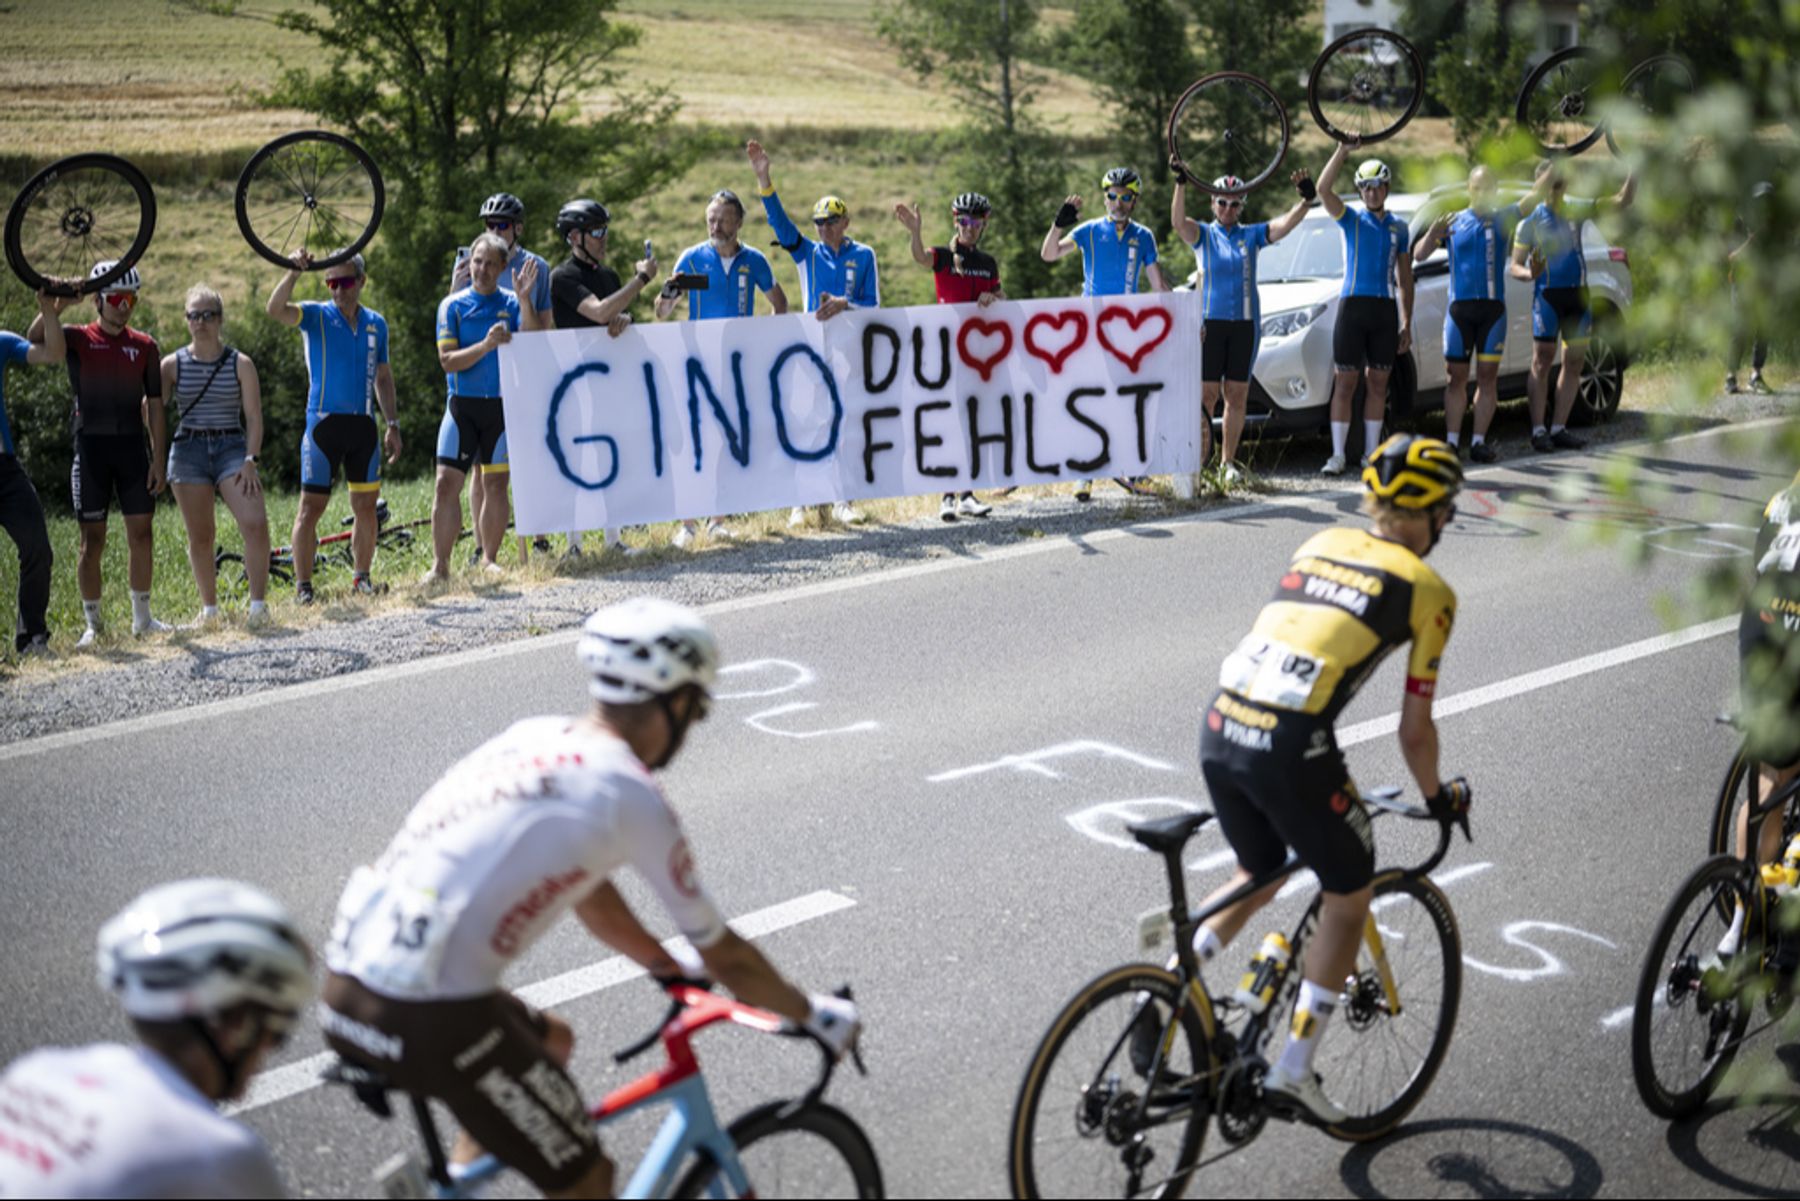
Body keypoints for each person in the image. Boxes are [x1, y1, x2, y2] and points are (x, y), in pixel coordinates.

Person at [319, 596, 861, 1199]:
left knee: (551, 1043)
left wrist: (660, 962)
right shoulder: (629, 792)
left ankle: (461, 1186)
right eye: (697, 708)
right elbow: (728, 958)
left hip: (347, 983)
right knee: (591, 1180)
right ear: (673, 701)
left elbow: (587, 888)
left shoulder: (533, 736)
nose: (695, 724)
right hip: (425, 1013)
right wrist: (813, 1016)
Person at [1174, 434, 1470, 1124]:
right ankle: (1295, 1070)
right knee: (1348, 889)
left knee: (1262, 867)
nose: (1448, 525)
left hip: (1220, 724)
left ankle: (1164, 991)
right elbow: (1415, 733)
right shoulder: (1432, 591)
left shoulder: (1318, 544)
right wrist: (1436, 798)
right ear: (1430, 514)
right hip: (1288, 741)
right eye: (1448, 512)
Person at [0, 878, 313, 1197]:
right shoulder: (217, 1152)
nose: (271, 1048)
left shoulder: (36, 1074)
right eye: (276, 1031)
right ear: (236, 1024)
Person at [27, 262, 170, 645]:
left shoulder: (145, 346)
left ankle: (143, 619)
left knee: (143, 535)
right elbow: (35, 336)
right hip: (90, 450)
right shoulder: (76, 337)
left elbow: (155, 405)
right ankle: (94, 624)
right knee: (92, 541)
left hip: (131, 451)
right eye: (117, 299)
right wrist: (56, 306)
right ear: (98, 300)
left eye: (131, 299)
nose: (125, 307)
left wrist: (158, 459)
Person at [746, 138, 876, 529]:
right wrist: (764, 181)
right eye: (819, 222)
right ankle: (799, 503)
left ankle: (842, 500)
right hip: (810, 352)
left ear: (845, 223)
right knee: (804, 424)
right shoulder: (807, 253)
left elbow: (874, 306)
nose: (823, 228)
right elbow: (781, 225)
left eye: (830, 221)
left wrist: (845, 304)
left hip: (848, 352)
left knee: (843, 424)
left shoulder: (864, 254)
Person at [654, 188, 789, 547]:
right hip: (697, 365)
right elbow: (663, 310)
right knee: (694, 441)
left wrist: (762, 342)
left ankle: (717, 518)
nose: (715, 225)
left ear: (738, 222)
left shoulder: (755, 261)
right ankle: (687, 523)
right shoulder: (693, 260)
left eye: (722, 219)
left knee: (725, 444)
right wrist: (666, 296)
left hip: (736, 368)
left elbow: (780, 303)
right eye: (710, 219)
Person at [266, 251, 402, 603]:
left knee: (366, 506)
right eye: (330, 283)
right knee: (310, 508)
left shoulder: (377, 324)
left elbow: (384, 377)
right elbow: (275, 309)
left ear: (361, 281)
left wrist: (393, 424)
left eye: (344, 282)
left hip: (363, 426)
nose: (337, 291)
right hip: (323, 425)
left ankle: (362, 580)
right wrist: (293, 274)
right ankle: (303, 588)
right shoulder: (316, 315)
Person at [1170, 170, 1311, 485]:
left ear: (1242, 206)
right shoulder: (1204, 234)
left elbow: (1283, 226)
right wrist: (1180, 184)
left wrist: (1305, 201)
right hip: (1210, 326)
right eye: (1222, 203)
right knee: (1206, 396)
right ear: (1212, 202)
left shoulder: (1251, 235)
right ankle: (1199, 462)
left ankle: (1227, 463)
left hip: (1245, 325)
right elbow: (1178, 223)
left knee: (1236, 394)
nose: (1227, 210)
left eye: (1234, 205)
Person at [1041, 167, 1167, 501]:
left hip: (1126, 328)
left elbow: (1159, 286)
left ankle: (1131, 469)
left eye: (1125, 197)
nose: (1118, 202)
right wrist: (1058, 225)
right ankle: (1085, 475)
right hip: (1091, 327)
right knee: (1089, 400)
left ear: (1134, 200)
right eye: (1112, 195)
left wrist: (1182, 318)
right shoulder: (1090, 231)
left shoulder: (1144, 236)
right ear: (1105, 197)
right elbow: (1049, 254)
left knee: (1127, 401)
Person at [425, 233, 541, 583]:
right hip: (463, 407)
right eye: (478, 261)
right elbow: (447, 361)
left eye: (491, 263)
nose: (482, 269)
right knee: (446, 485)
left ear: (503, 267)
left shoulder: (511, 301)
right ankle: (440, 566)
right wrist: (487, 345)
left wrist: (525, 302)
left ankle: (489, 558)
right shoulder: (453, 306)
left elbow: (534, 342)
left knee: (496, 485)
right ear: (469, 262)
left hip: (501, 408)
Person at [1412, 166, 1546, 463]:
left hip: (1492, 312)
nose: (1483, 194)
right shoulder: (1455, 221)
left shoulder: (1503, 218)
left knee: (1488, 378)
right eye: (1478, 188)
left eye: (1489, 188)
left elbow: (1535, 195)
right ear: (1469, 190)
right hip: (1459, 311)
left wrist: (1557, 159)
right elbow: (1419, 255)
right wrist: (1432, 235)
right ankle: (1450, 443)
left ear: (1495, 191)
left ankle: (1478, 442)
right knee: (1454, 378)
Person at [547, 197, 658, 558]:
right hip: (572, 382)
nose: (603, 237)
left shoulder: (608, 276)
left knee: (611, 456)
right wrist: (641, 279)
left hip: (606, 381)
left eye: (605, 230)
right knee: (576, 462)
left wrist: (624, 320)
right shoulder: (563, 276)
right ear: (575, 236)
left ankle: (613, 539)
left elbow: (614, 318)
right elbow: (597, 312)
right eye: (597, 231)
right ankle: (573, 544)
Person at [451, 193, 558, 558]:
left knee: (530, 458)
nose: (495, 230)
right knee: (482, 470)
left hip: (522, 375)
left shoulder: (536, 267)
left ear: (518, 229)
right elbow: (453, 312)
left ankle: (540, 538)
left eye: (502, 225)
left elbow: (545, 324)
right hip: (481, 377)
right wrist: (455, 283)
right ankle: (482, 548)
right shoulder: (472, 260)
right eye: (489, 224)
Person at [160, 285, 271, 627]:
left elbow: (254, 417)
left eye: (208, 314)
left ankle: (257, 607)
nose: (201, 321)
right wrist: (154, 456)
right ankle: (209, 612)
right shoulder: (171, 365)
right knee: (201, 536)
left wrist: (251, 459)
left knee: (254, 523)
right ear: (186, 320)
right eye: (194, 315)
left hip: (231, 448)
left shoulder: (241, 363)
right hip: (188, 450)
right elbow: (154, 412)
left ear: (220, 319)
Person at [1508, 159, 1635, 453]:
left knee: (1575, 361)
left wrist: (1634, 167)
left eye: (1559, 182)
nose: (1555, 188)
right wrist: (1529, 273)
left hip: (1578, 295)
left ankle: (1559, 427)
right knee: (1542, 359)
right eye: (1550, 183)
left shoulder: (1576, 209)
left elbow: (1622, 200)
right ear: (1539, 185)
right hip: (1548, 296)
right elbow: (1515, 265)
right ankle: (1539, 430)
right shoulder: (1530, 220)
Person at [894, 191, 1003, 521]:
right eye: (964, 221)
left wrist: (993, 298)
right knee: (948, 423)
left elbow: (1003, 297)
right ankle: (946, 496)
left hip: (977, 354)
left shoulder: (987, 263)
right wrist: (915, 233)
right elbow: (920, 258)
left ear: (984, 225)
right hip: (945, 352)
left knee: (971, 422)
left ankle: (967, 493)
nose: (970, 228)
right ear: (956, 222)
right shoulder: (943, 256)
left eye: (976, 222)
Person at [1314, 144, 1415, 477]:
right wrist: (1342, 151)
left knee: (1378, 384)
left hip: (1384, 310)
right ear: (1360, 191)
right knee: (1345, 383)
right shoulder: (1351, 219)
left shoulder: (1400, 228)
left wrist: (1407, 323)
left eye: (1377, 187)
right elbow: (1322, 189)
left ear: (1386, 188)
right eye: (1366, 188)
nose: (1372, 193)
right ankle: (1338, 454)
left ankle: (1371, 453)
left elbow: (1405, 278)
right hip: (1353, 306)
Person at [1, 288, 65, 657]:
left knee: (37, 547)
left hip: (5, 470)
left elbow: (53, 353)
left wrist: (50, 311)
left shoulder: (1, 342)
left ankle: (32, 639)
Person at [1725, 181, 1775, 396]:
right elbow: (1731, 256)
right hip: (1742, 282)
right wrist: (1751, 242)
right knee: (1740, 330)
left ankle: (1756, 375)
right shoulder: (1741, 222)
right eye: (1762, 200)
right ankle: (1730, 377)